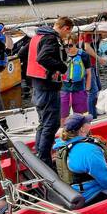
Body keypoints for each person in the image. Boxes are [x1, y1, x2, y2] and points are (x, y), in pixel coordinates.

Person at [27, 16, 74, 165]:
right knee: (51, 124)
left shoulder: (37, 36)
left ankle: (39, 153)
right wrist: (61, 67)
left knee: (43, 122)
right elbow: (43, 58)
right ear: (65, 28)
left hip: (37, 84)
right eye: (68, 33)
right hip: (47, 87)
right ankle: (45, 159)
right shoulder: (51, 39)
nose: (67, 36)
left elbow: (23, 54)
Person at [54, 114, 107, 202]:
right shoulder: (88, 150)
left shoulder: (63, 144)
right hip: (91, 194)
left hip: (75, 191)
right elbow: (105, 177)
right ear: (82, 129)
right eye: (87, 122)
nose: (90, 123)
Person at [60, 36, 92, 120]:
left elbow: (89, 74)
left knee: (81, 116)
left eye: (70, 45)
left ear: (76, 44)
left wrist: (87, 90)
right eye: (65, 46)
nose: (68, 48)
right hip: (64, 88)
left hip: (79, 88)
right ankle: (63, 131)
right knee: (62, 116)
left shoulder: (84, 55)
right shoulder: (61, 54)